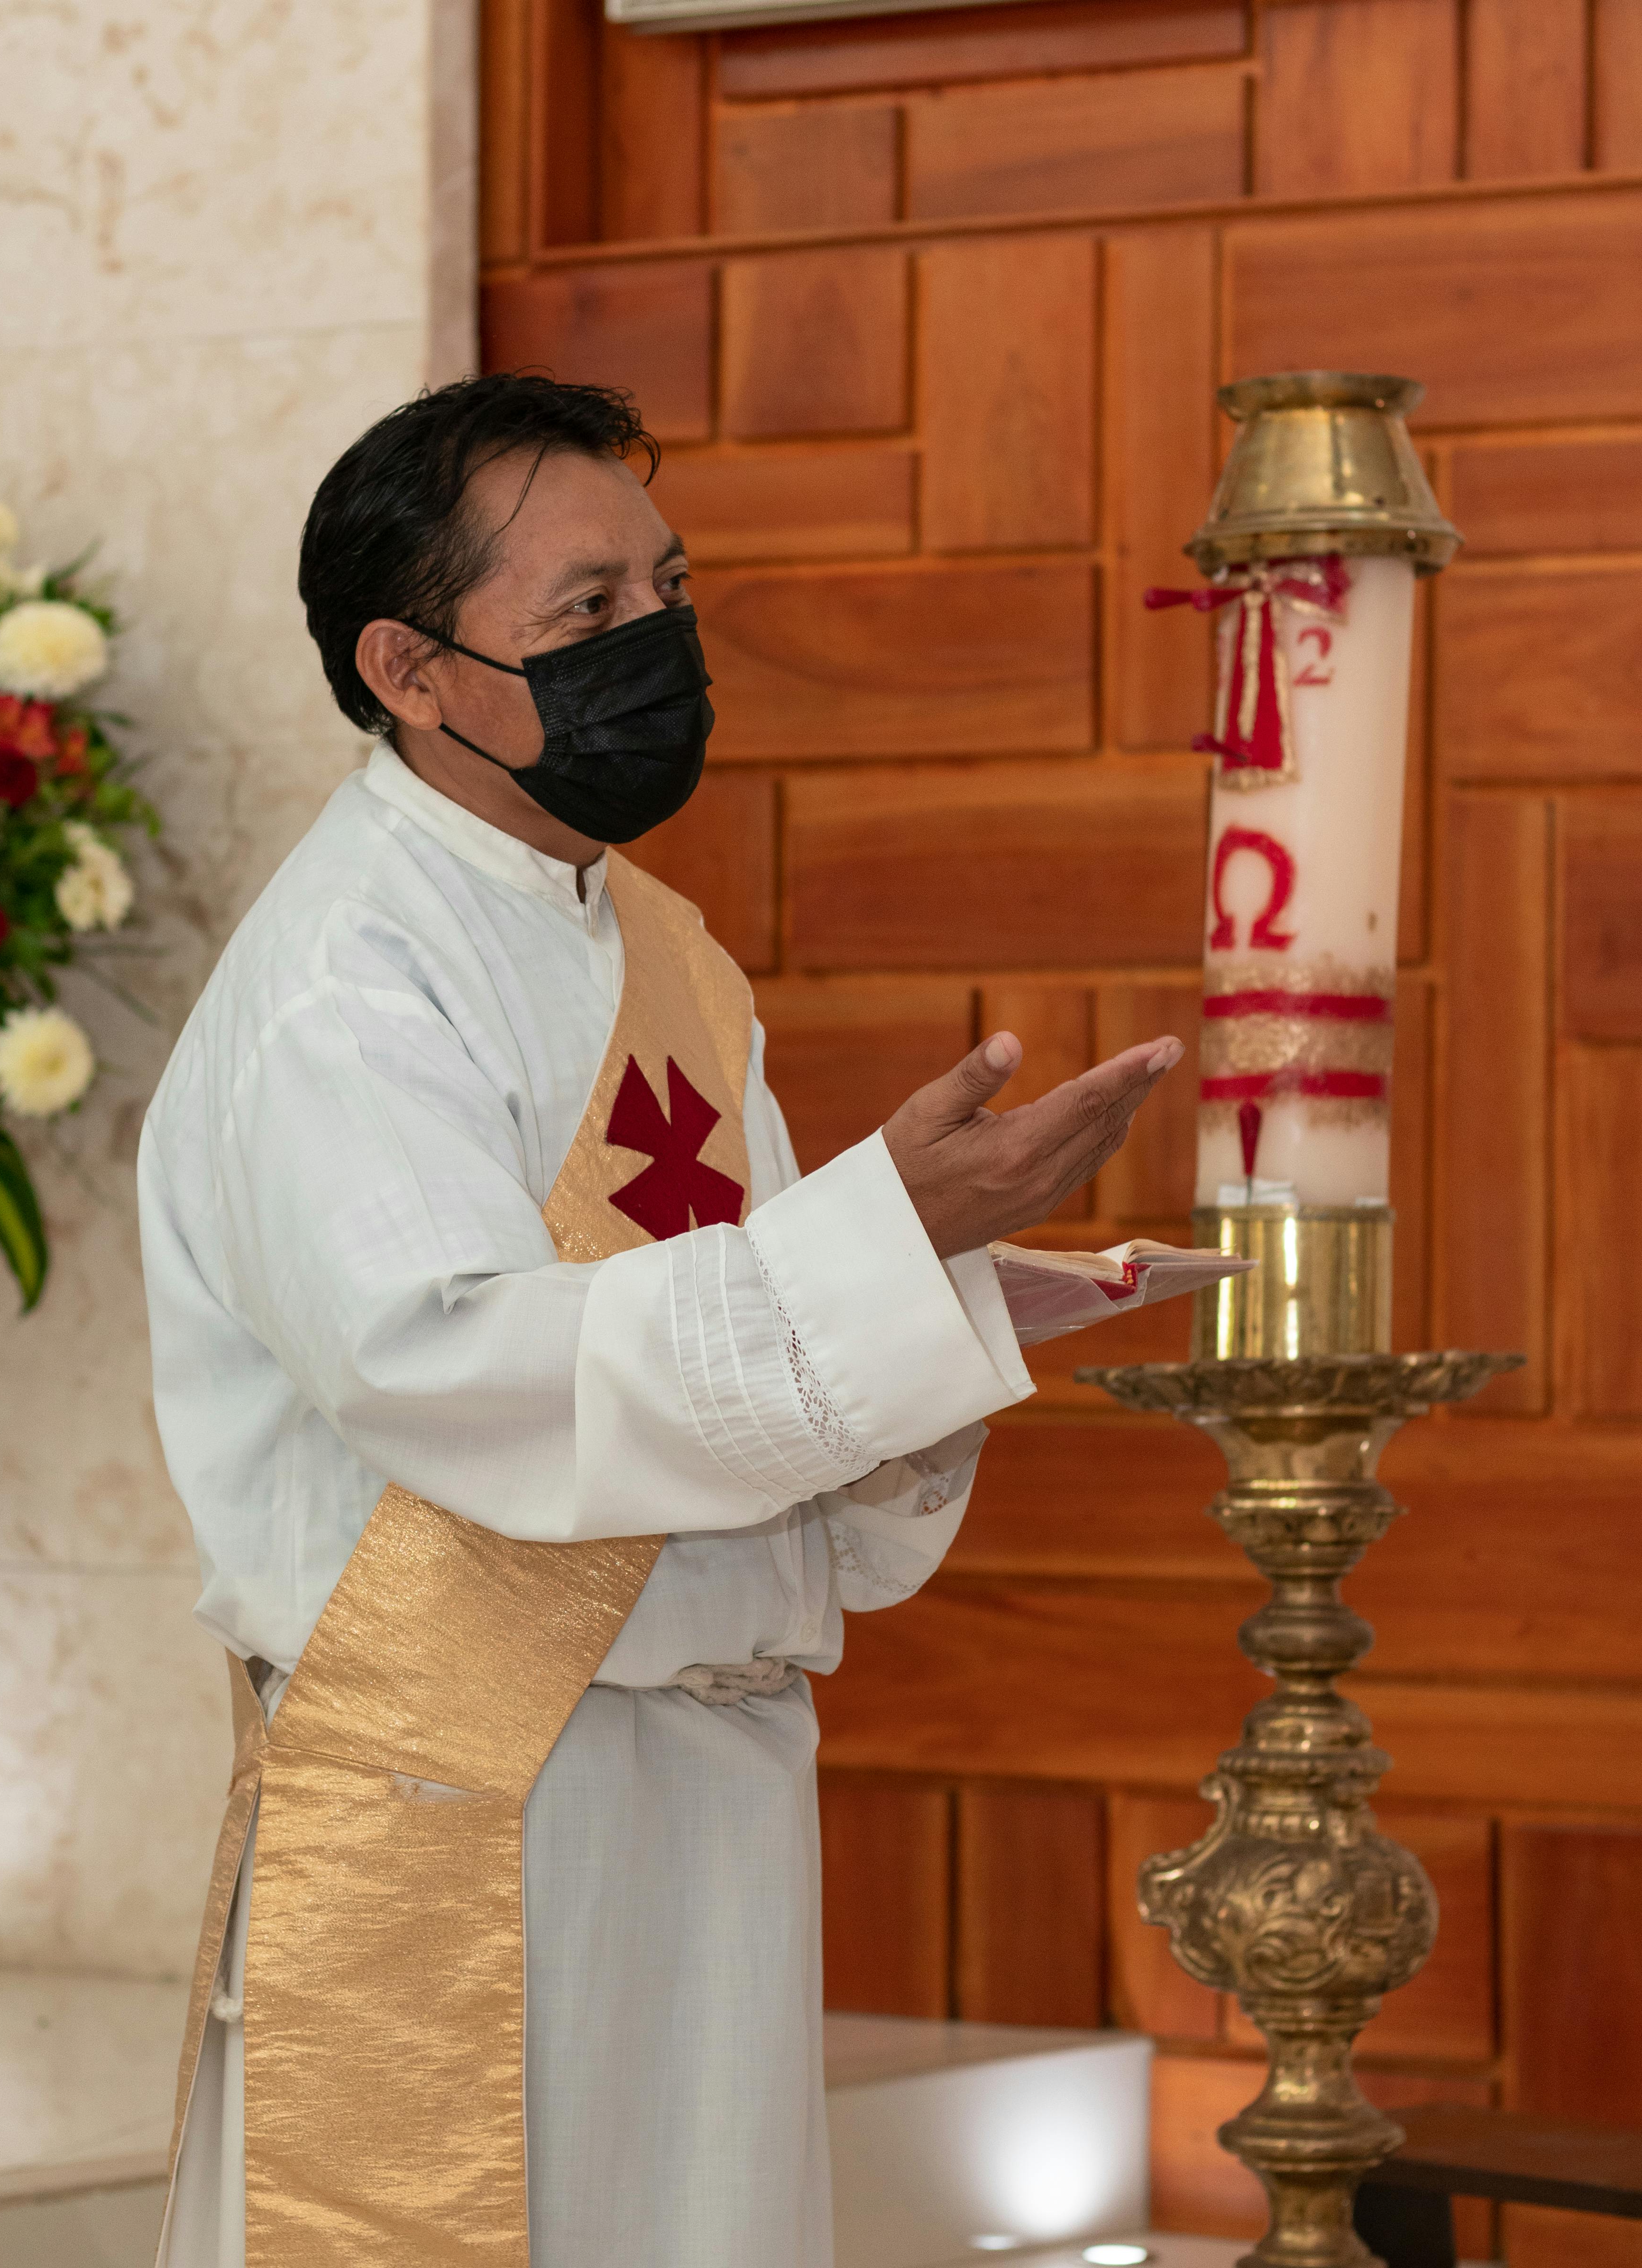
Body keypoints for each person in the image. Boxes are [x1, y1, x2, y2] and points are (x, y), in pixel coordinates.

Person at [139, 371, 1183, 2268]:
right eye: (587, 612)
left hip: (703, 1787)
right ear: (413, 666)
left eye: (668, 590)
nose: (658, 644)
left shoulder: (664, 950)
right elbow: (448, 1368)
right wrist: (879, 1248)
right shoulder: (344, 977)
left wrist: (938, 1294)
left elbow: (752, 1371)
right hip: (471, 1811)